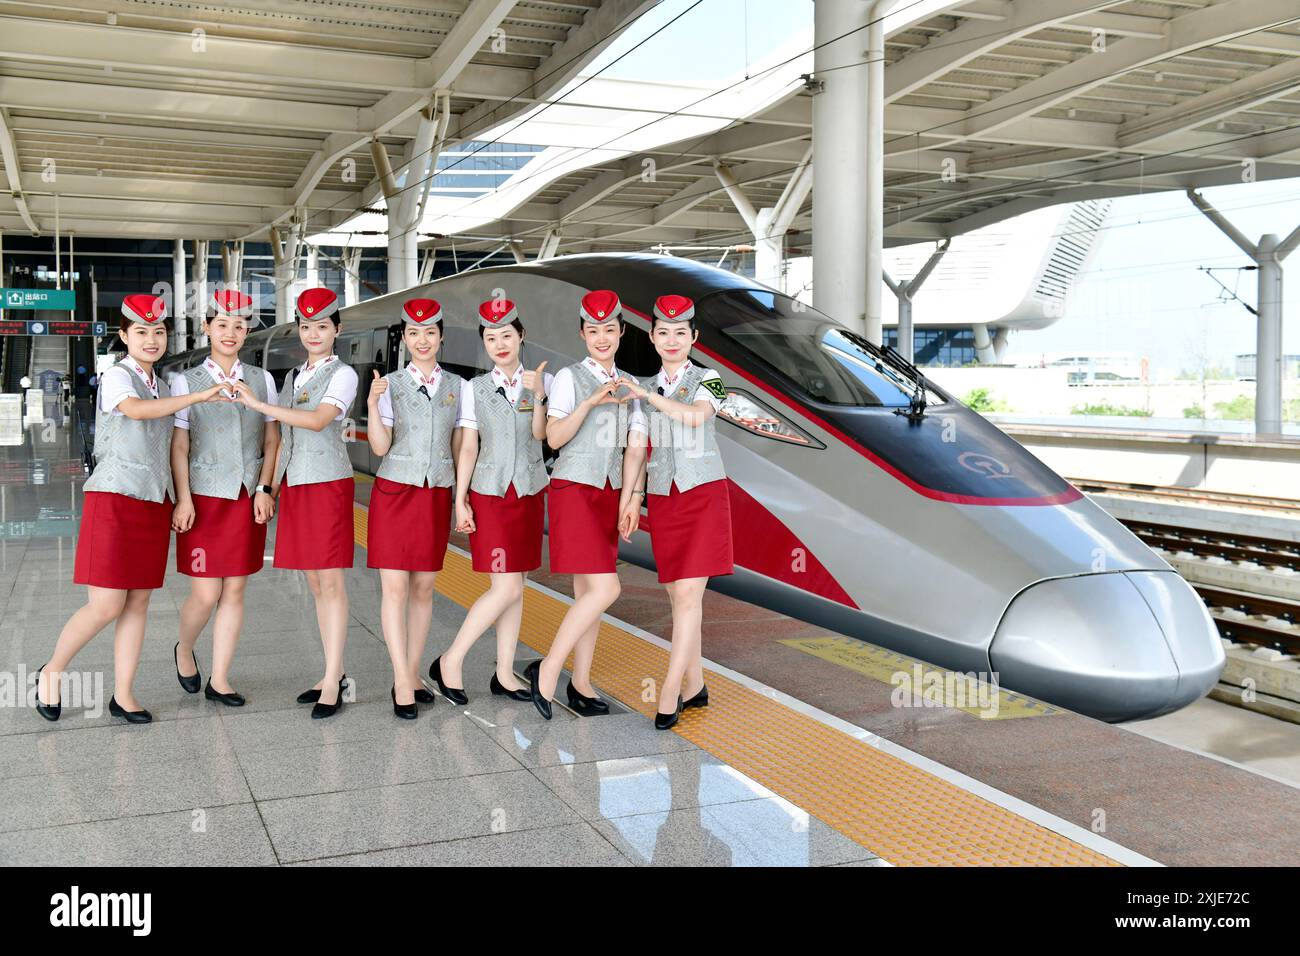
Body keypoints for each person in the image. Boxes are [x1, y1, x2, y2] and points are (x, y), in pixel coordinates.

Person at [36, 294, 227, 724]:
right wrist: (195, 400)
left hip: (152, 504)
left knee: (138, 603)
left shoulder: (160, 382)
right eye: (141, 331)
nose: (152, 339)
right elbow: (136, 412)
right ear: (123, 336)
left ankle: (123, 694)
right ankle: (51, 671)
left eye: (159, 332)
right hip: (115, 499)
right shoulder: (118, 378)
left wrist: (180, 499)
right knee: (105, 605)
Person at [229, 287, 357, 719]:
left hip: (327, 484)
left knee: (332, 582)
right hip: (298, 487)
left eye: (322, 326)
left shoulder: (344, 375)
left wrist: (260, 404)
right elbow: (281, 441)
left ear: (336, 330)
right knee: (316, 584)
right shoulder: (293, 378)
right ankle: (329, 673)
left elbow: (320, 420)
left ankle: (335, 678)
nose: (313, 334)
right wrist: (269, 490)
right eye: (306, 327)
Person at [526, 289, 645, 719]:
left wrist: (632, 498)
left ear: (621, 332)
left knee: (587, 593)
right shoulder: (567, 379)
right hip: (575, 490)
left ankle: (580, 682)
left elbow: (635, 449)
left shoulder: (632, 385)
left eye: (609, 330)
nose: (601, 337)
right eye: (593, 330)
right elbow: (554, 438)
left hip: (610, 494)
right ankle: (549, 671)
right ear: (582, 333)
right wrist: (592, 400)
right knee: (606, 588)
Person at [618, 294, 733, 729]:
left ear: (693, 337)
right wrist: (631, 498)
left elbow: (695, 417)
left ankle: (670, 693)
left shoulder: (712, 379)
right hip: (665, 498)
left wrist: (648, 396)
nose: (671, 340)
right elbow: (636, 449)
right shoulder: (642, 388)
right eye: (662, 332)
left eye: (680, 333)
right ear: (651, 337)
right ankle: (696, 684)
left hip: (702, 495)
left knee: (687, 598)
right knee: (678, 597)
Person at [169, 289, 280, 707]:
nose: (231, 332)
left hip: (245, 496)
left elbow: (273, 438)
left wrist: (265, 487)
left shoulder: (262, 380)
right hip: (202, 497)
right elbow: (179, 447)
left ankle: (221, 679)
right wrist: (183, 499)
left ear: (247, 330)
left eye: (239, 325)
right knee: (204, 593)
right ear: (207, 329)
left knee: (234, 591)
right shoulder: (185, 382)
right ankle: (183, 648)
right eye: (222, 325)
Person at [439, 297, 551, 704]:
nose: (500, 343)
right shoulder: (474, 389)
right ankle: (451, 660)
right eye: (491, 337)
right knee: (504, 587)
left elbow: (542, 436)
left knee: (517, 586)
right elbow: (468, 446)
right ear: (483, 343)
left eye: (507, 335)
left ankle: (504, 673)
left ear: (521, 336)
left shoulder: (543, 382)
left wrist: (538, 395)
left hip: (528, 493)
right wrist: (460, 499)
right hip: (490, 496)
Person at [364, 298, 461, 719]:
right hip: (394, 494)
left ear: (440, 337)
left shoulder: (460, 387)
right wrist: (371, 405)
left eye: (429, 333)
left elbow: (461, 445)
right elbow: (380, 447)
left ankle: (416, 672)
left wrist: (462, 496)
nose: (422, 341)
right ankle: (401, 678)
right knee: (395, 589)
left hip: (435, 493)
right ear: (404, 339)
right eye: (413, 334)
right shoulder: (389, 385)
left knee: (424, 588)